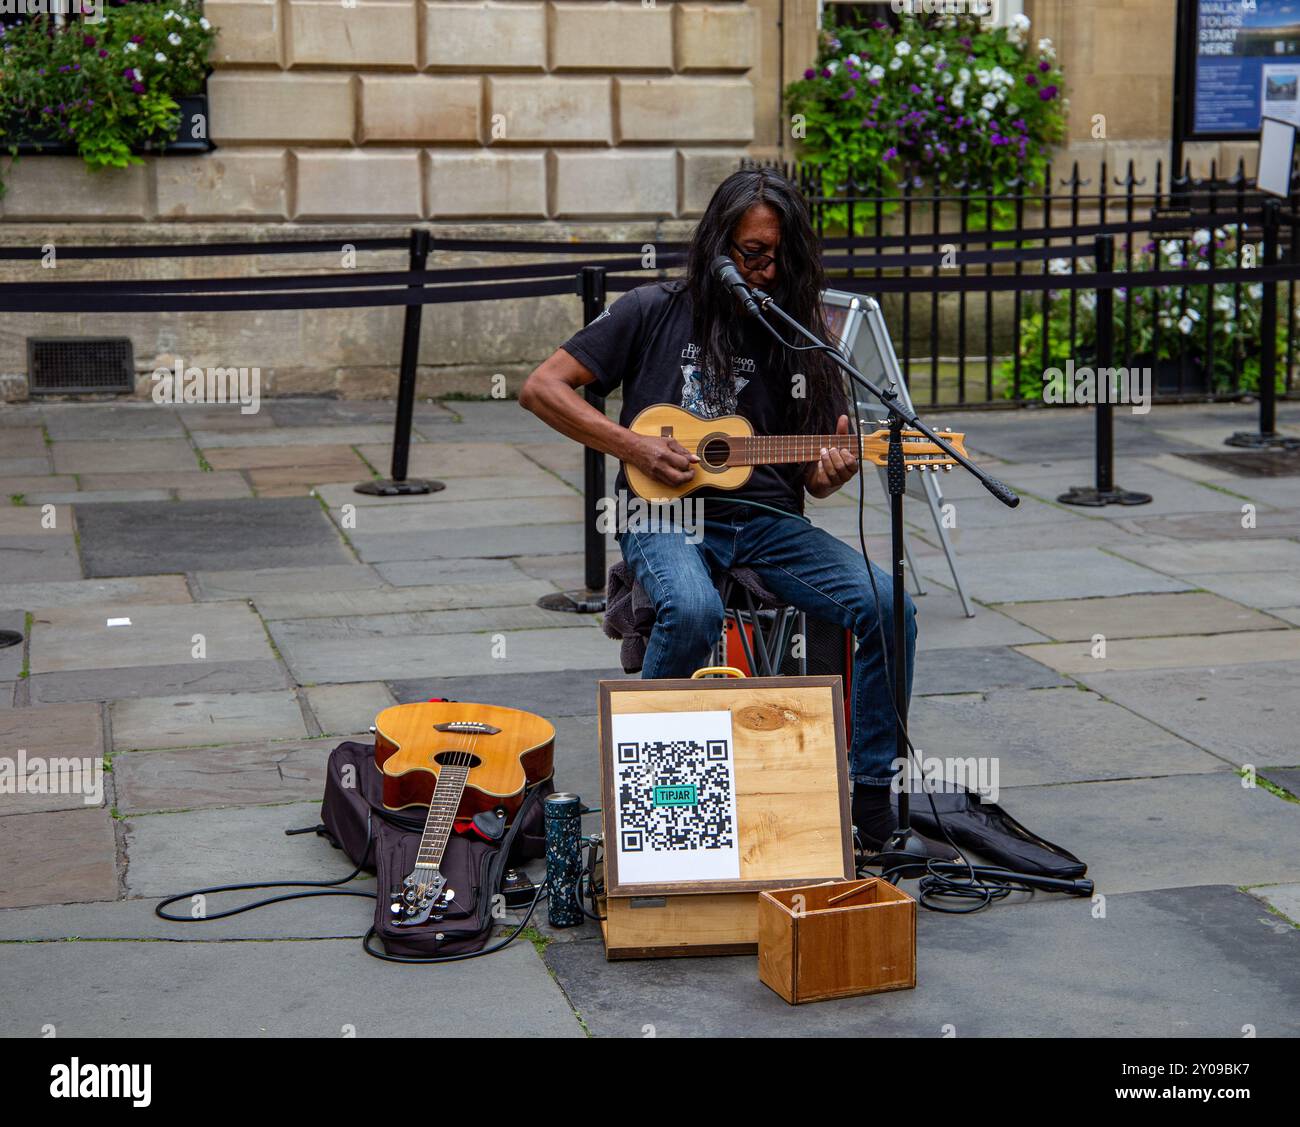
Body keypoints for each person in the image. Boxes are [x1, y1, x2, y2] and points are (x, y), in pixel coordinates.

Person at [519, 167, 955, 860]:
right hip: (665, 516)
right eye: (753, 254)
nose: (768, 271)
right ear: (718, 245)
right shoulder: (652, 309)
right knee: (690, 610)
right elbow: (543, 388)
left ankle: (871, 809)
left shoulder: (801, 333)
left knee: (886, 602)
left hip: (768, 523)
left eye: (782, 256)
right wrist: (633, 444)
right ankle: (649, 797)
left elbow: (813, 479)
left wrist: (834, 468)